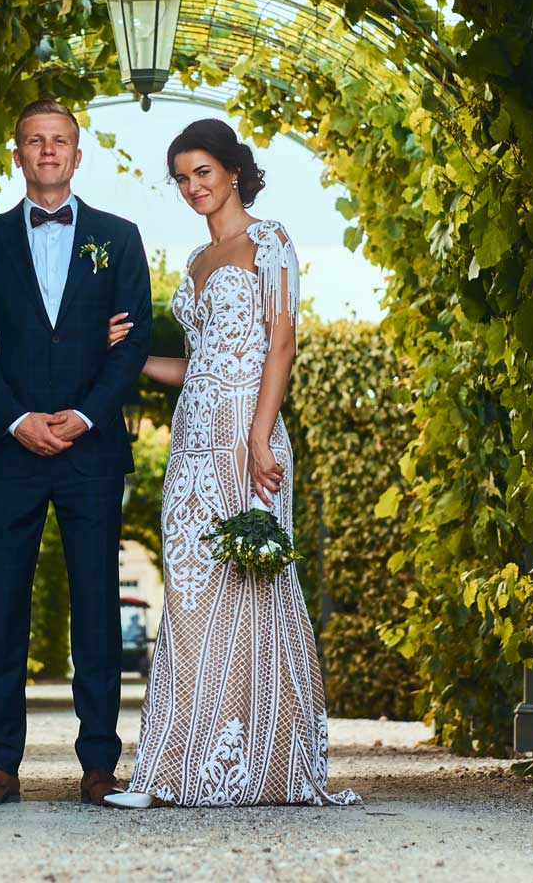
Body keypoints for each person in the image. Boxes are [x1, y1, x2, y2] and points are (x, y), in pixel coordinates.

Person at [101, 118, 360, 808]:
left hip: (250, 433)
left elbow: (280, 346)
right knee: (189, 597)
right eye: (183, 178)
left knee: (256, 590)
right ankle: (166, 773)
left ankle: (271, 765)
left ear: (234, 170)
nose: (193, 188)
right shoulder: (194, 262)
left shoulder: (269, 241)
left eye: (204, 173)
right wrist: (120, 356)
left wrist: (258, 438)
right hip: (193, 438)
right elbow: (196, 367)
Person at [0, 99, 152, 807]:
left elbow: (132, 349)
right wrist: (15, 421)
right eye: (34, 140)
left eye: (59, 140)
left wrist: (86, 417)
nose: (47, 150)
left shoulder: (118, 239)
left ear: (76, 154)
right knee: (4, 606)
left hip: (90, 454)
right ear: (18, 155)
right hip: (12, 452)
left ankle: (100, 764)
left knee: (96, 608)